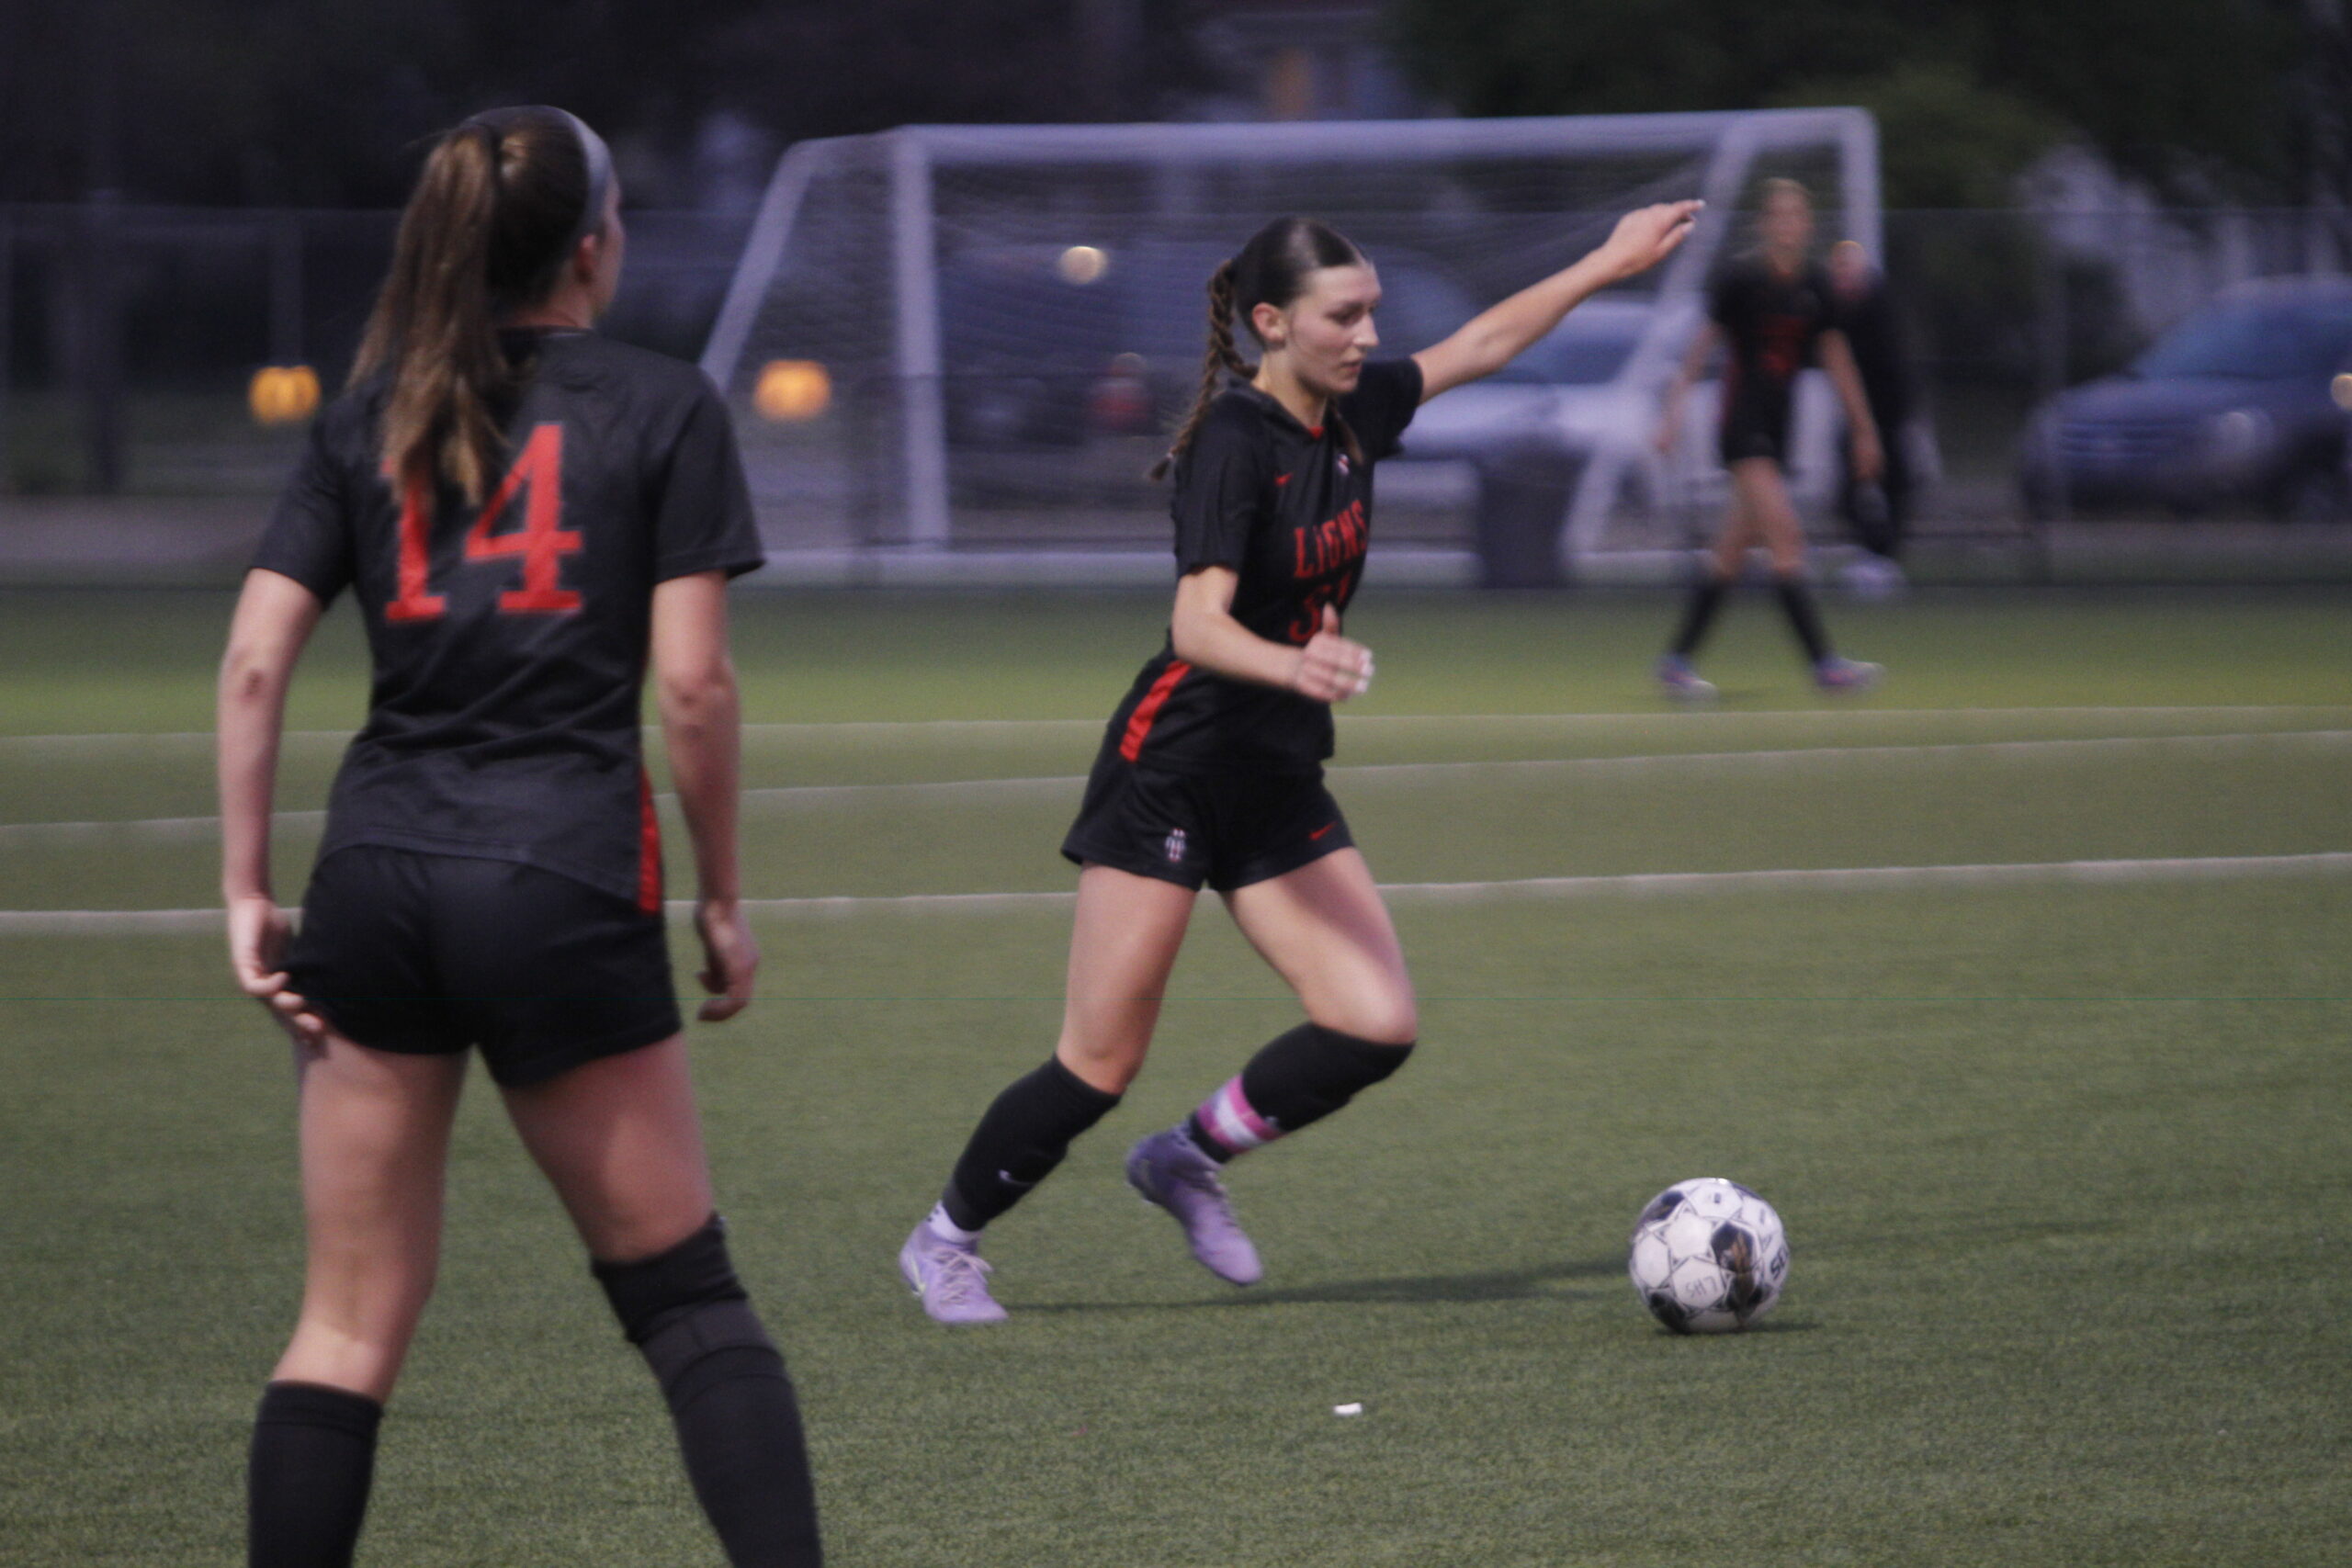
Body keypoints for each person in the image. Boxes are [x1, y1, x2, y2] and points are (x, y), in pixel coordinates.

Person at [896, 200, 1702, 1324]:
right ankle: (944, 1241)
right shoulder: (1234, 442)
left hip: (1272, 775)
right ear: (1272, 322)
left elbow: (1482, 343)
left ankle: (1183, 1158)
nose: (1367, 335)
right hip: (1170, 771)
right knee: (1097, 1061)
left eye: (1372, 312)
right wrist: (1295, 668)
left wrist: (1610, 262)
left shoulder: (1354, 412)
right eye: (1344, 315)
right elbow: (1197, 628)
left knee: (1374, 1023)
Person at [217, 107, 820, 1565]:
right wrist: (725, 893)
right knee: (683, 1299)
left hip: (373, 875)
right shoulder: (663, 405)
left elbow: (252, 661)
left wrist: (244, 886)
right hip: (558, 867)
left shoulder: (369, 410)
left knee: (346, 1324)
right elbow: (691, 684)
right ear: (595, 245)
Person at [1652, 178, 1884, 700]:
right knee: (1787, 541)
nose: (1788, 224)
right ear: (1764, 223)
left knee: (1730, 554)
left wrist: (1865, 429)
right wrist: (1672, 413)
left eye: (1796, 215)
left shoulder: (1816, 285)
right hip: (1741, 424)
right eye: (1778, 215)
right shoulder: (1741, 278)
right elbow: (1700, 348)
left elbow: (1837, 357)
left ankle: (1675, 661)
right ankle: (1825, 666)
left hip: (1779, 426)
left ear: (1807, 224)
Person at [1825, 238, 1922, 591]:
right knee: (1847, 489)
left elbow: (1891, 371)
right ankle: (1868, 552)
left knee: (1895, 482)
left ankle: (1885, 559)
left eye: (1849, 270)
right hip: (1855, 415)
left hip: (1888, 412)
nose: (1843, 279)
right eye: (1839, 271)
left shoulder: (1879, 308)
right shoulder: (1835, 314)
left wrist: (1879, 427)